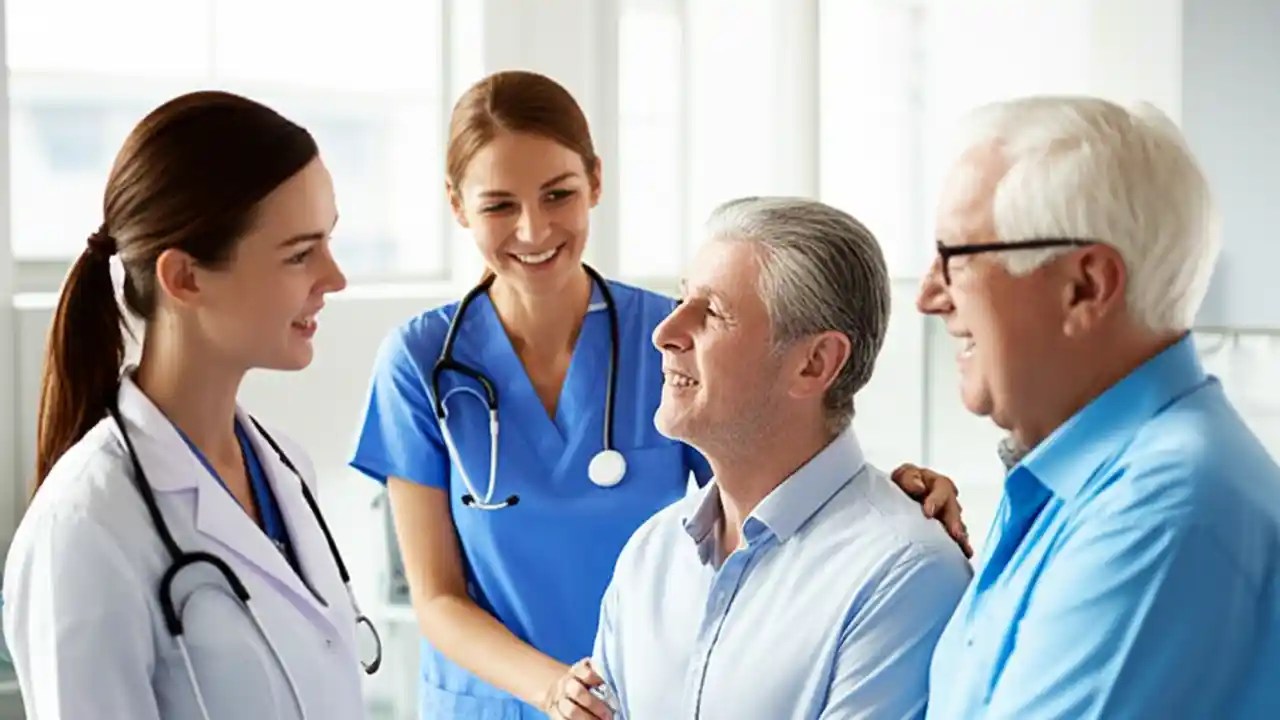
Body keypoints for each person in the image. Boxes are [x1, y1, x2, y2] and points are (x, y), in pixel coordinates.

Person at [349, 70, 968, 719]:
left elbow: (770, 470)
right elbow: (437, 596)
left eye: (557, 194)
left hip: (649, 682)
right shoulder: (424, 361)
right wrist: (558, 690)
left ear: (595, 181)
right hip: (502, 699)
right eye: (499, 205)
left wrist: (884, 499)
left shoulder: (663, 336)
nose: (533, 230)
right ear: (457, 205)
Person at [2, 90, 372, 719]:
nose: (335, 278)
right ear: (185, 278)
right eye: (300, 253)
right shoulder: (85, 528)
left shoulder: (285, 469)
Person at [918, 95, 1280, 719]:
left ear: (1085, 286)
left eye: (956, 259)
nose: (930, 296)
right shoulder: (1077, 482)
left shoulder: (1166, 505)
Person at [588, 197, 973, 720]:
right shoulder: (650, 556)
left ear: (815, 363)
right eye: (681, 299)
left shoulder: (905, 574)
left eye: (713, 313)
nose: (665, 333)